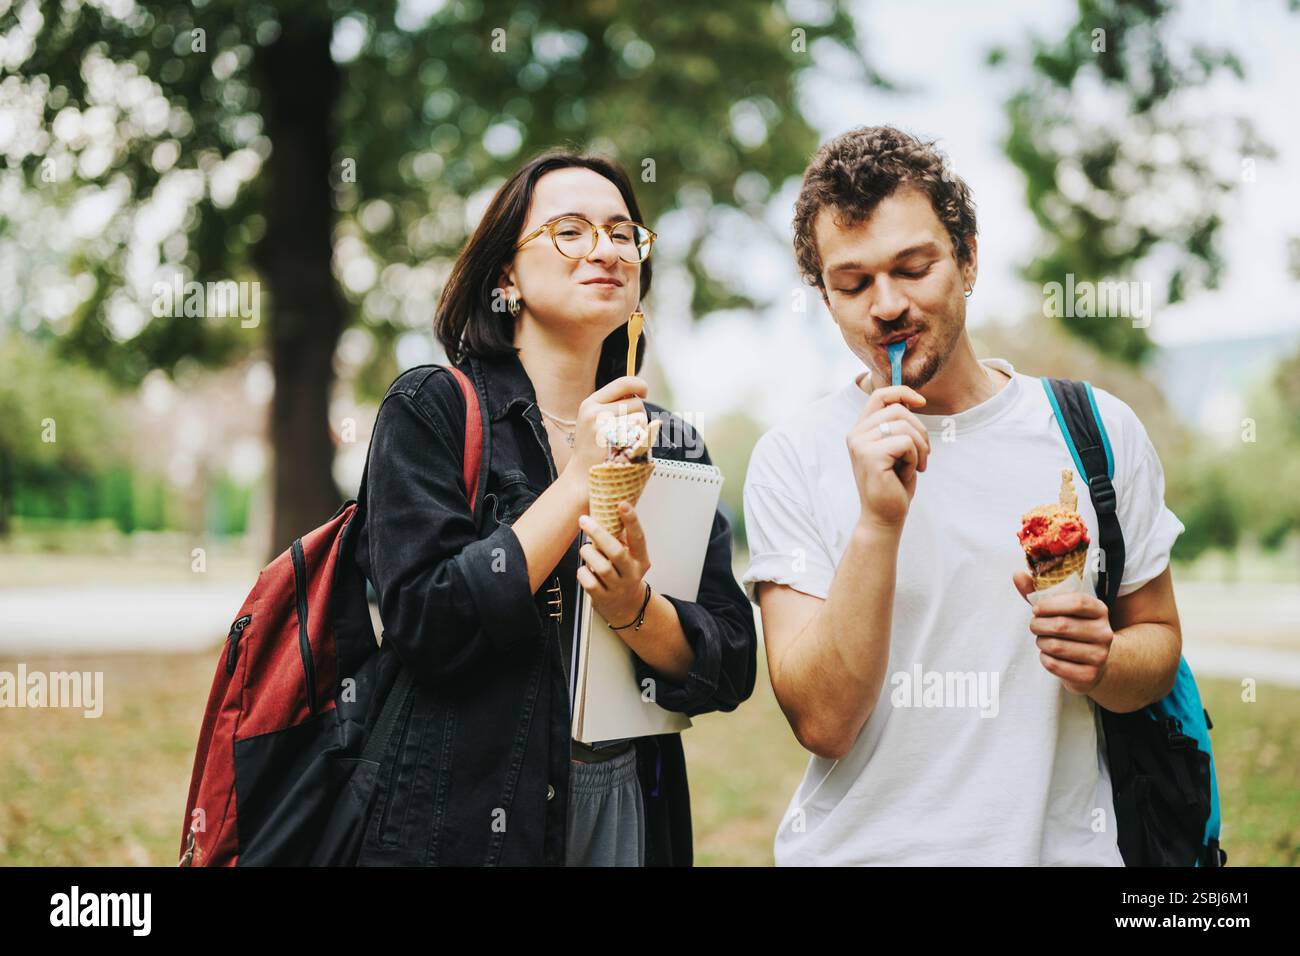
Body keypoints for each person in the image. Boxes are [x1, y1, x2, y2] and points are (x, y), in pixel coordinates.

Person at [741, 126, 1185, 866]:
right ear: (824, 296)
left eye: (914, 268)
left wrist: (1105, 661)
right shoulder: (791, 457)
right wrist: (878, 524)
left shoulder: (1095, 431)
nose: (886, 305)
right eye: (852, 284)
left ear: (968, 257)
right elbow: (822, 722)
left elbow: (1159, 644)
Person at [355, 150, 757, 866]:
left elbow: (729, 666)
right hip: (467, 810)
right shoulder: (433, 409)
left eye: (622, 233)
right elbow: (426, 624)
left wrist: (637, 609)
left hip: (630, 802)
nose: (605, 249)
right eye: (569, 231)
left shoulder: (674, 444)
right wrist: (578, 482)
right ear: (505, 273)